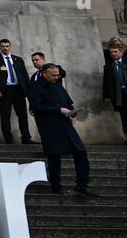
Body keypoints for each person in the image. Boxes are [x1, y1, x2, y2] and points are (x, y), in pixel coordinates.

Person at [28, 63, 95, 197]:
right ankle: (56, 187)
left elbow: (68, 102)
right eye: (53, 75)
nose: (56, 77)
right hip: (49, 126)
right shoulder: (35, 86)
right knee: (54, 156)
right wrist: (58, 110)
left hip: (65, 124)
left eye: (57, 74)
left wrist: (72, 111)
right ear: (44, 73)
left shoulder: (58, 85)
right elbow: (36, 107)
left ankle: (82, 185)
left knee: (81, 152)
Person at [0, 38, 35, 143]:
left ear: (10, 47)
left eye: (7, 46)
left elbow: (25, 76)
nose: (5, 48)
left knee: (23, 115)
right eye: (3, 46)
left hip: (18, 90)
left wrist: (27, 90)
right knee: (5, 116)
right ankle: (8, 139)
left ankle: (26, 139)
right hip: (4, 91)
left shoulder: (18, 60)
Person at [101, 38, 127, 145]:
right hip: (121, 95)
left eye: (115, 52)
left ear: (121, 51)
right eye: (111, 52)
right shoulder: (108, 67)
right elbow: (106, 82)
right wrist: (106, 96)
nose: (113, 54)